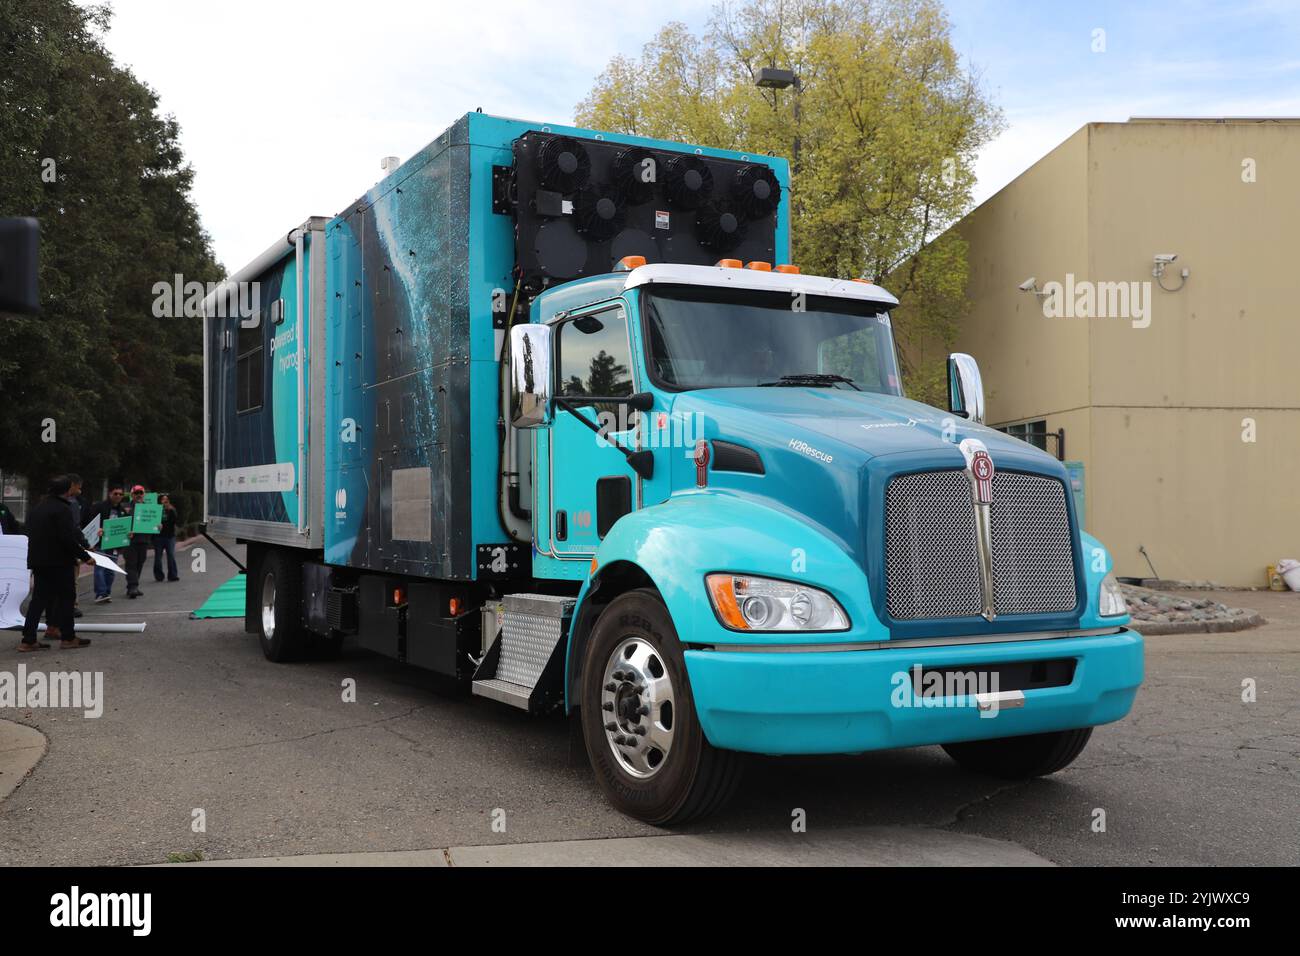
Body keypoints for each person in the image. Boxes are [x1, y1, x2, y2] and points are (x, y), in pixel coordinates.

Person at [19, 475, 93, 651]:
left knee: (38, 600)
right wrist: (85, 557)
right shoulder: (63, 509)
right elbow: (67, 538)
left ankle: (28, 640)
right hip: (60, 562)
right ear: (68, 490)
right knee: (67, 599)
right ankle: (68, 637)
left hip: (39, 561)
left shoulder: (38, 508)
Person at [90, 483, 127, 603]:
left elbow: (125, 527)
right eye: (115, 493)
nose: (118, 496)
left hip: (114, 544)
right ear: (110, 494)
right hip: (100, 543)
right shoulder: (99, 507)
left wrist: (128, 533)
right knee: (100, 568)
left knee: (110, 570)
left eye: (120, 494)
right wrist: (97, 530)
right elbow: (90, 521)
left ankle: (106, 593)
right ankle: (100, 593)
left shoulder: (122, 510)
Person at [120, 485, 153, 599]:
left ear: (144, 495)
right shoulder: (125, 507)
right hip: (130, 541)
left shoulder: (149, 509)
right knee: (131, 564)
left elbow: (153, 524)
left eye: (141, 493)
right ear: (132, 495)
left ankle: (134, 586)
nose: (138, 495)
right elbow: (120, 522)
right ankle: (132, 587)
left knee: (140, 562)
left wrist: (158, 526)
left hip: (143, 540)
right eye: (136, 493)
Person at [153, 493, 180, 582]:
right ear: (159, 501)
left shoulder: (171, 510)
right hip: (158, 537)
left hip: (170, 537)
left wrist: (172, 510)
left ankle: (173, 575)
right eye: (163, 499)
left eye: (166, 499)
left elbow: (176, 521)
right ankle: (159, 576)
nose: (165, 500)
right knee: (158, 557)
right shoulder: (155, 511)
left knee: (171, 556)